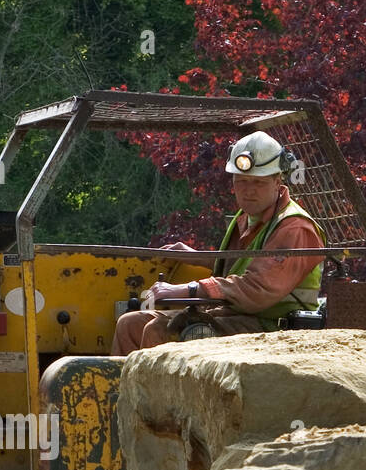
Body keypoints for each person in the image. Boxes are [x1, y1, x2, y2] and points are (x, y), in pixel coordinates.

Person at [111, 130, 325, 354]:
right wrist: (195, 255)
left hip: (273, 327)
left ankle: (153, 390)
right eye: (241, 181)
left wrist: (189, 289)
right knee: (130, 324)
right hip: (236, 316)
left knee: (161, 331)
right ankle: (122, 390)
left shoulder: (294, 227)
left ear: (277, 181)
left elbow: (256, 290)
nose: (248, 191)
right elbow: (239, 266)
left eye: (258, 182)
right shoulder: (248, 219)